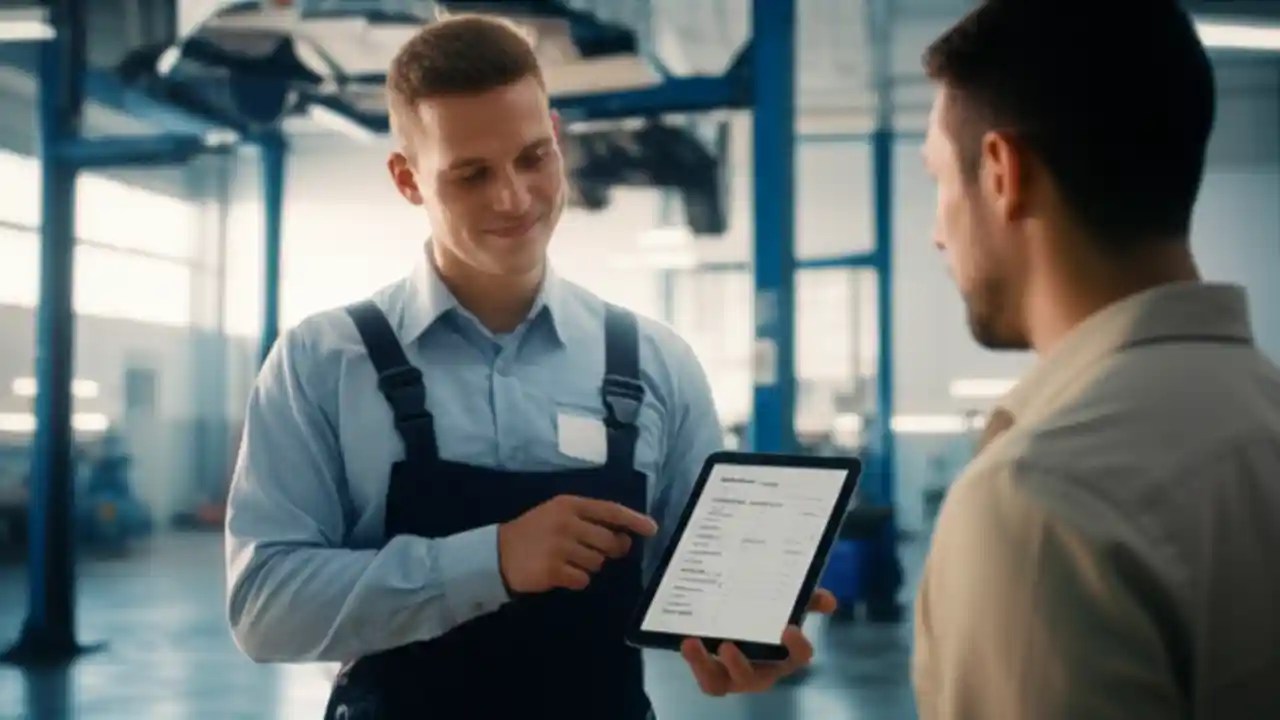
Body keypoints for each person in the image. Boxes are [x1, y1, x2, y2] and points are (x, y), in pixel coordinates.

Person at [223, 14, 832, 719]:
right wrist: (495, 561)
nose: (512, 198)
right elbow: (264, 608)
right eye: (470, 174)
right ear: (407, 179)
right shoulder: (320, 362)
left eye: (533, 157)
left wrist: (739, 639)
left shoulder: (657, 364)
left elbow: (681, 585)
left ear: (559, 142)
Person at [913, 1, 1280, 718]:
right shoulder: (1262, 414)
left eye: (938, 180)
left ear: (1000, 172)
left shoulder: (1038, 499)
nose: (936, 233)